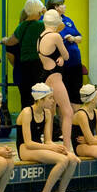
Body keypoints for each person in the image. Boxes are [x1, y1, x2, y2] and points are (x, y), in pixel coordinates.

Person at [17, 82, 77, 192]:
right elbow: (28, 143)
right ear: (40, 99)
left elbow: (48, 140)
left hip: (39, 147)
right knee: (62, 160)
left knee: (73, 159)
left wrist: (60, 148)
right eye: (50, 98)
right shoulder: (27, 112)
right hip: (25, 148)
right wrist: (52, 149)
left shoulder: (47, 113)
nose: (53, 101)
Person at [37, 9, 74, 153]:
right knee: (68, 112)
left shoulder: (41, 36)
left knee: (49, 112)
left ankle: (49, 142)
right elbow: (66, 56)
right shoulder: (56, 36)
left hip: (45, 75)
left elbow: (50, 55)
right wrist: (61, 57)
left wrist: (58, 57)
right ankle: (66, 147)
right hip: (55, 77)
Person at [4, 0, 46, 109]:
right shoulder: (42, 25)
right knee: (39, 98)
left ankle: (24, 124)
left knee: (26, 99)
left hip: (24, 67)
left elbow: (10, 42)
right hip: (38, 65)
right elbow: (59, 26)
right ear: (39, 11)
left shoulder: (21, 26)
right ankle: (37, 123)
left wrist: (4, 40)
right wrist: (46, 13)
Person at [47, 0, 84, 101]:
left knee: (75, 93)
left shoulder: (67, 20)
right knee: (61, 95)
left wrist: (73, 38)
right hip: (60, 63)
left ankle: (74, 117)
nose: (65, 6)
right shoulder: (47, 21)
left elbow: (80, 37)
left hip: (75, 61)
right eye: (62, 4)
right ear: (56, 7)